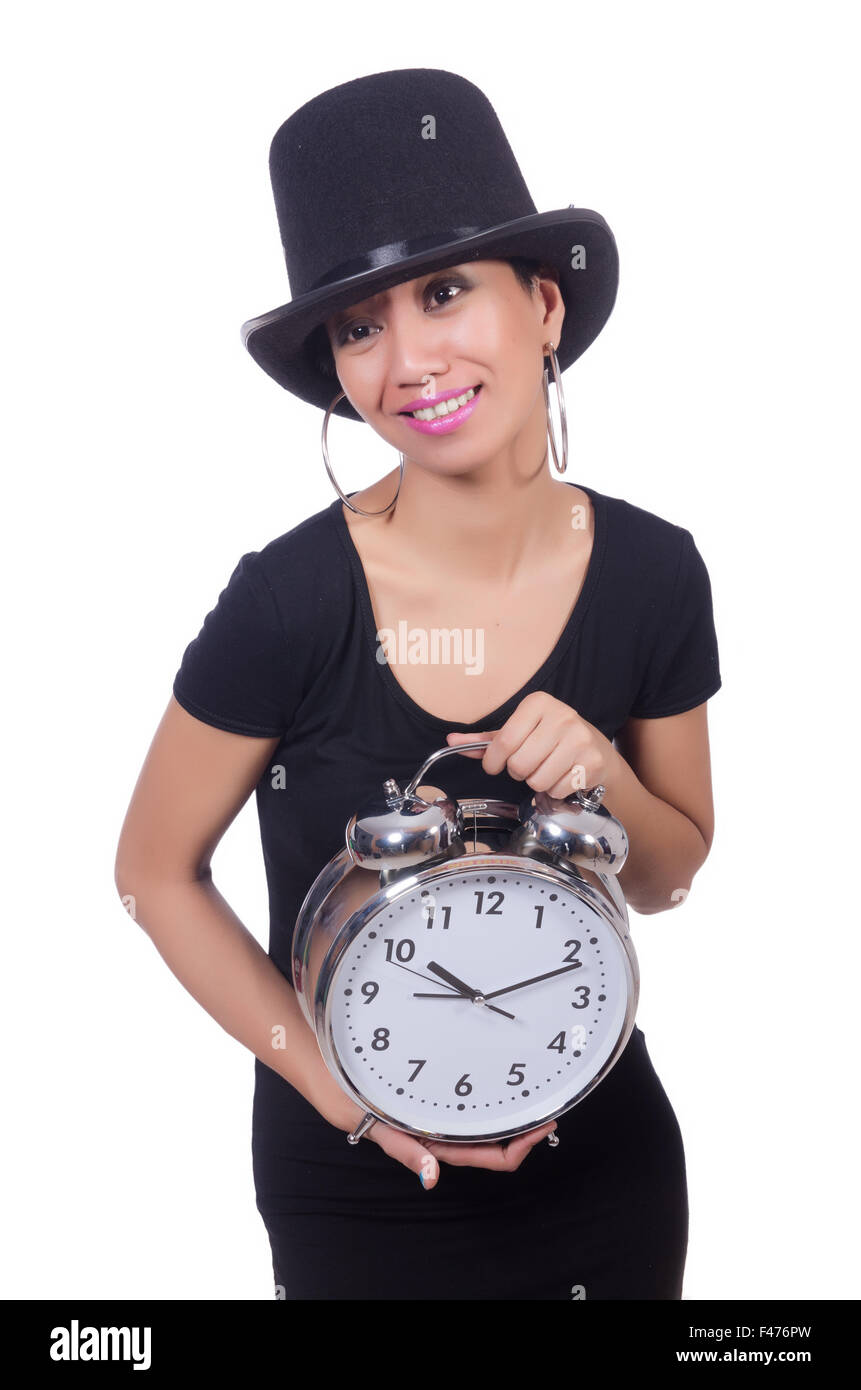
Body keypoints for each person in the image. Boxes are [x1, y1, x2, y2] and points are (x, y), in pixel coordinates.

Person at [114, 68, 721, 1301]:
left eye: (445, 292)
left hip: (605, 1162)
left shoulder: (657, 570)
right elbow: (151, 873)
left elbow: (669, 875)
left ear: (543, 304)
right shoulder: (288, 600)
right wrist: (346, 1094)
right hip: (359, 1187)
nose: (409, 359)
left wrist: (599, 768)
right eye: (359, 325)